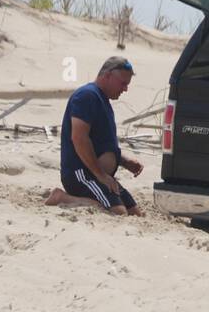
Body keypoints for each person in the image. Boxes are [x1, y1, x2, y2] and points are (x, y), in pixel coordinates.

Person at [45, 57, 144, 216]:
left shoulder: (103, 101)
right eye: (123, 83)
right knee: (118, 213)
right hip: (82, 174)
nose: (125, 89)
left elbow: (102, 144)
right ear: (108, 76)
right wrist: (101, 175)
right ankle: (62, 197)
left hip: (100, 176)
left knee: (136, 213)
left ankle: (88, 193)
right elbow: (79, 139)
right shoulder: (86, 96)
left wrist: (125, 162)